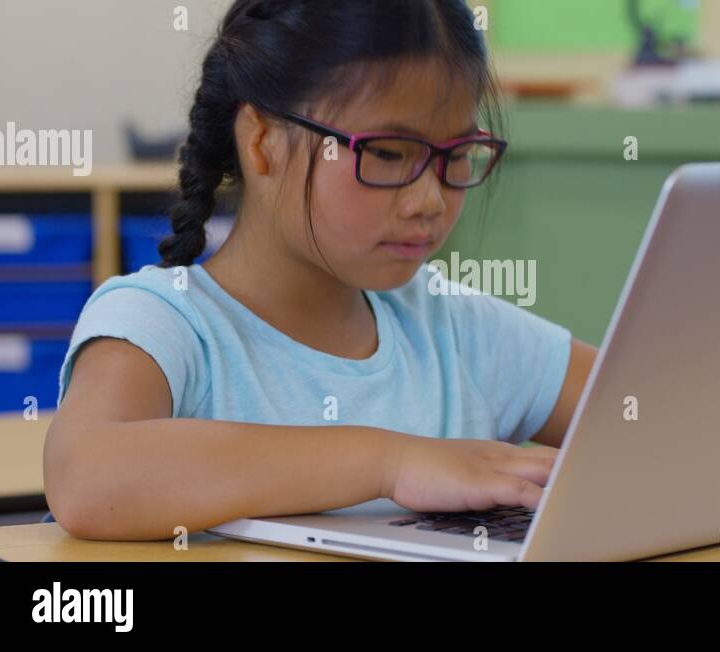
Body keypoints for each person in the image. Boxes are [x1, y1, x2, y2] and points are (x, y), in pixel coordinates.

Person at [45, 0, 597, 541]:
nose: (430, 199)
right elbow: (86, 477)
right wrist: (393, 462)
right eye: (386, 152)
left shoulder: (453, 327)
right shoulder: (164, 321)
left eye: (456, 155)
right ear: (262, 141)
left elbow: (644, 411)